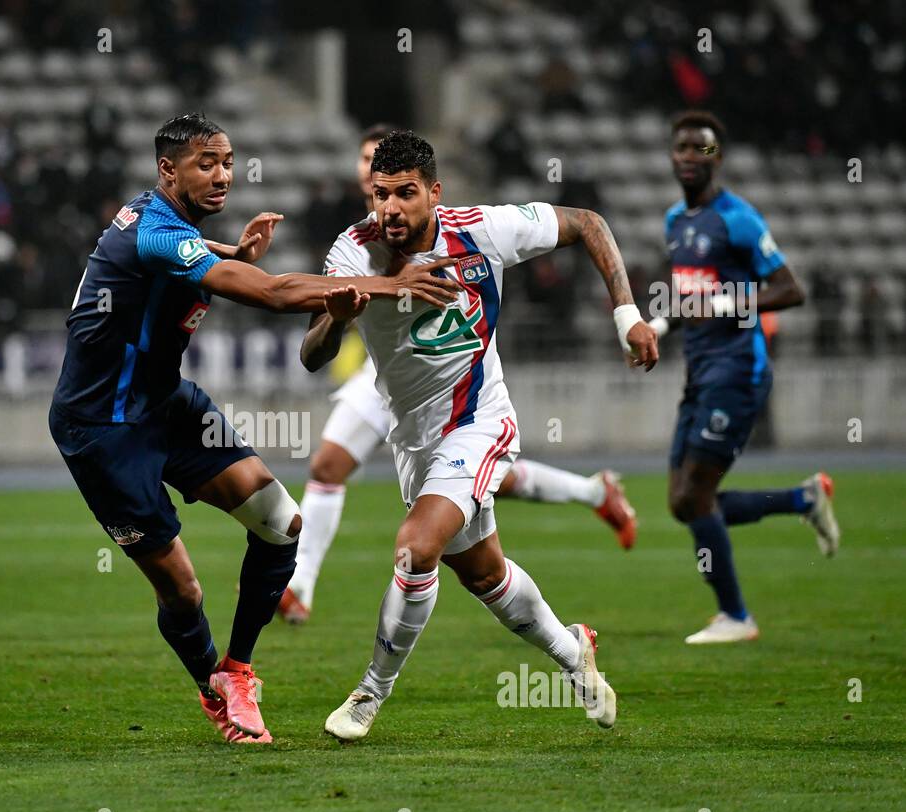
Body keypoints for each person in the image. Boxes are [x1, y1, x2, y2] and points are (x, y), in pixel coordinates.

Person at [46, 114, 458, 745]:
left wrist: (233, 251)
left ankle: (237, 671)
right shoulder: (156, 234)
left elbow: (188, 255)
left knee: (282, 524)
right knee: (182, 588)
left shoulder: (159, 224)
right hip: (103, 428)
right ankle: (212, 684)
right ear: (168, 171)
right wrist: (387, 284)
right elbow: (270, 294)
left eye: (228, 162)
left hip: (166, 405)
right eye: (205, 164)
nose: (222, 176)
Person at [301, 131, 660, 741]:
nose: (391, 208)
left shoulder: (483, 229)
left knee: (416, 548)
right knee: (485, 575)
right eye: (381, 194)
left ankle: (369, 693)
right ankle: (573, 651)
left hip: (479, 420)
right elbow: (313, 355)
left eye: (406, 194)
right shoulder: (352, 251)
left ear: (434, 193)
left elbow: (588, 223)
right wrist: (337, 317)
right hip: (413, 438)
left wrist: (626, 314)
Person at [648, 111, 838, 645]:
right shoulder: (674, 222)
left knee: (696, 495)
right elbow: (690, 297)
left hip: (738, 371)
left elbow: (791, 289)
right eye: (681, 147)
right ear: (670, 155)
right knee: (684, 502)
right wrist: (660, 324)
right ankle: (802, 501)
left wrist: (730, 299)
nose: (689, 156)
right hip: (700, 368)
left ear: (718, 158)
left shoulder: (738, 219)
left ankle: (737, 616)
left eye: (700, 149)